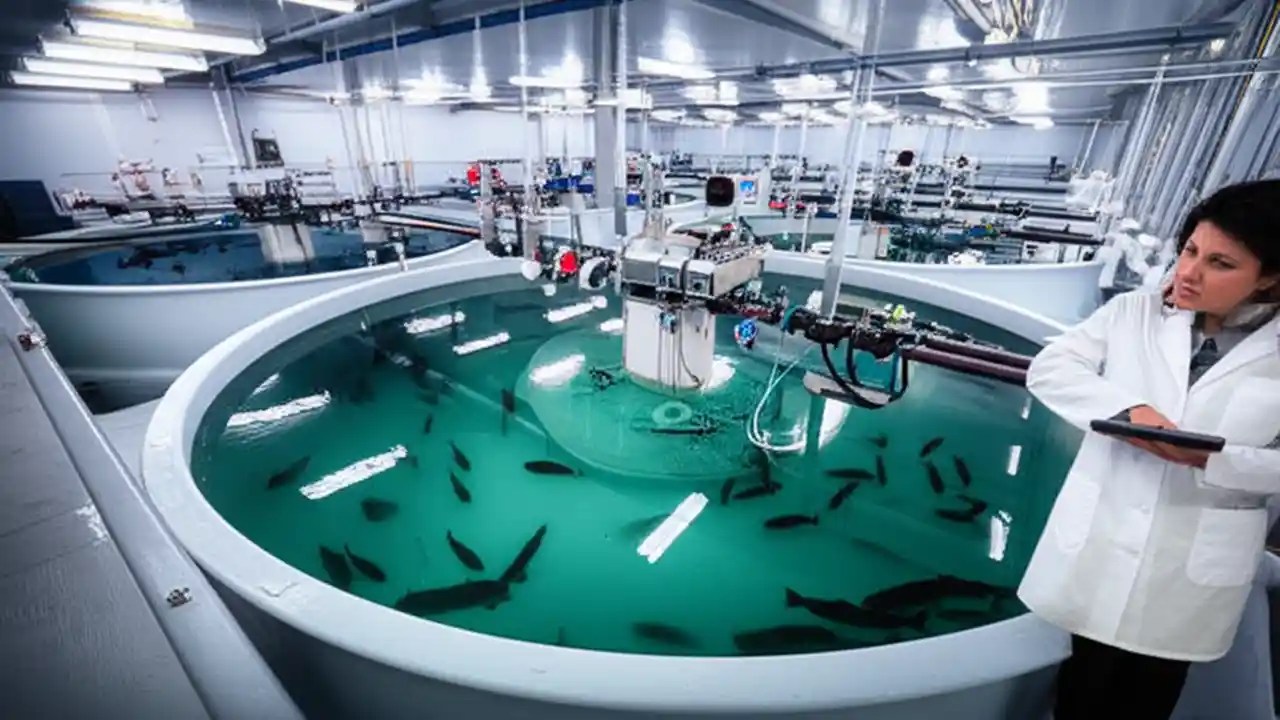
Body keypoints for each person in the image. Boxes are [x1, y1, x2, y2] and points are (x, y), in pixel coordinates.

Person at [1019, 179, 1280, 720]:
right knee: (1080, 689)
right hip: (1102, 539)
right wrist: (1129, 412)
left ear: (1269, 278)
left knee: (1149, 695)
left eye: (1220, 263)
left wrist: (1213, 459)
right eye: (1190, 251)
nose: (1188, 272)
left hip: (1192, 567)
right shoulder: (1134, 313)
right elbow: (1050, 369)